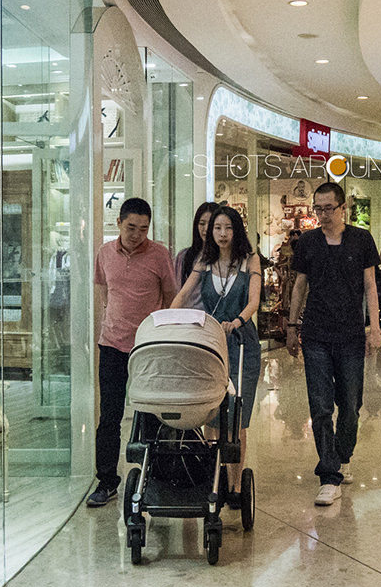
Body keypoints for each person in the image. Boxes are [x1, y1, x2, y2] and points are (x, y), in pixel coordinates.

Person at [285, 180, 381, 506]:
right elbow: (299, 286)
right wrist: (291, 326)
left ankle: (343, 456)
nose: (324, 214)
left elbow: (371, 286)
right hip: (316, 334)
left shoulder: (361, 239)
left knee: (351, 406)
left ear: (343, 208)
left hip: (351, 334)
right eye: (319, 209)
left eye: (330, 208)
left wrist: (374, 328)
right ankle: (329, 475)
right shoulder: (308, 242)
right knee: (321, 406)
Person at [171, 203, 261, 514]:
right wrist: (168, 317)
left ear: (237, 231)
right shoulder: (204, 261)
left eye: (228, 228)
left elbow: (254, 300)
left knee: (236, 418)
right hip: (211, 344)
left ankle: (235, 486)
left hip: (241, 343)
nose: (222, 234)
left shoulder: (250, 260)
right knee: (211, 414)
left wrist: (238, 320)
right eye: (217, 228)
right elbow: (184, 294)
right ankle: (214, 478)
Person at [88, 197, 178, 508]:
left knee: (152, 414)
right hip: (112, 345)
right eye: (131, 228)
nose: (137, 234)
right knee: (109, 416)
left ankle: (154, 478)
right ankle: (106, 482)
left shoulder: (159, 254)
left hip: (148, 347)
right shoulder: (104, 253)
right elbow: (105, 292)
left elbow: (170, 296)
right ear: (118, 223)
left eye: (143, 229)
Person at [175, 201, 219, 307]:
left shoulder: (226, 258)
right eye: (202, 223)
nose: (206, 229)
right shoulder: (184, 256)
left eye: (211, 224)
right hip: (189, 315)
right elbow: (177, 292)